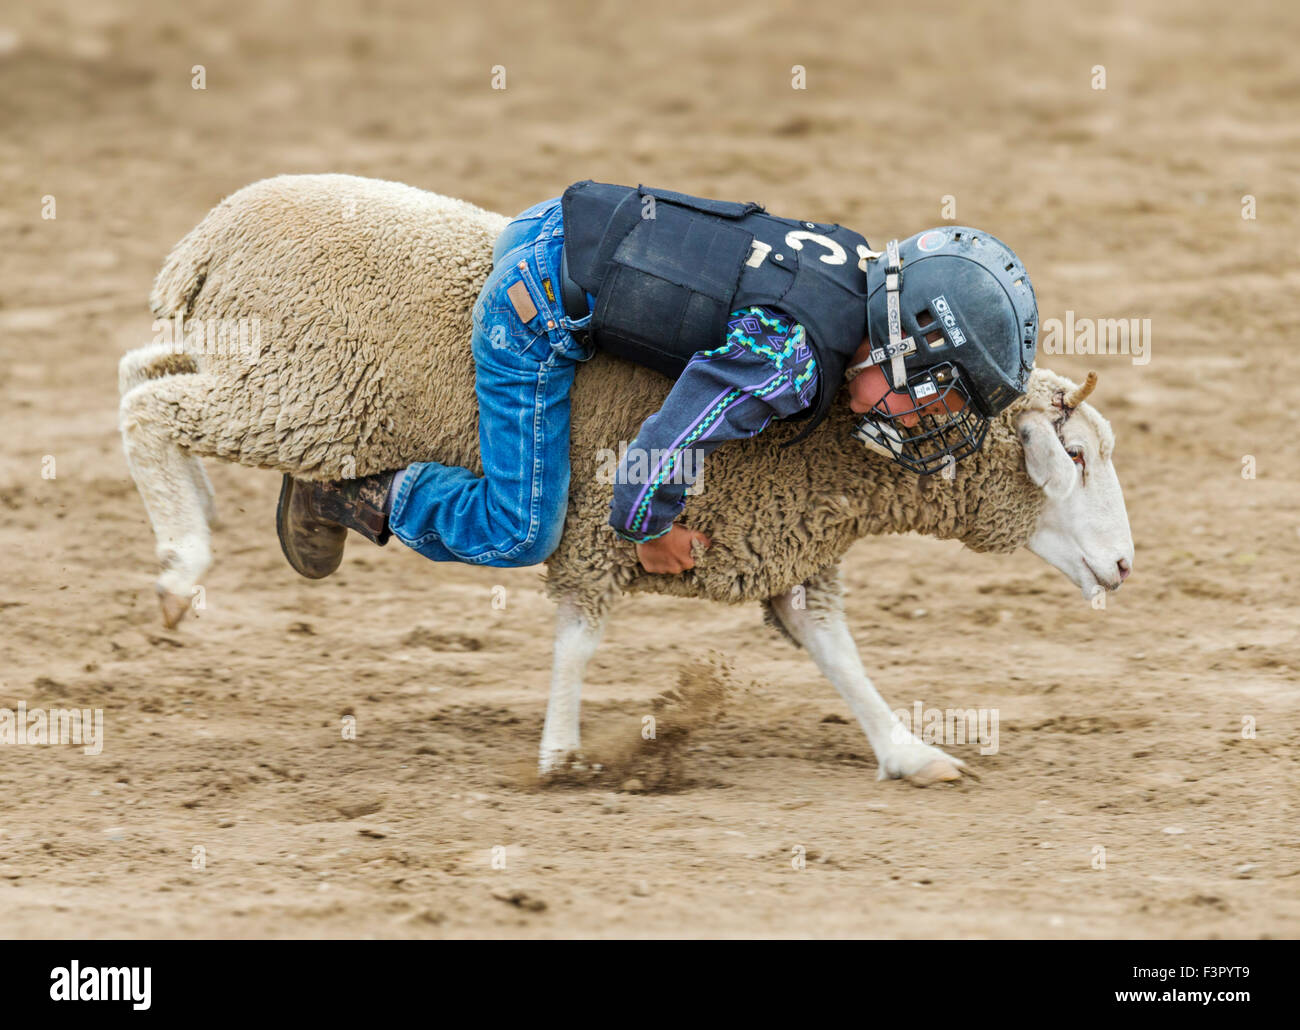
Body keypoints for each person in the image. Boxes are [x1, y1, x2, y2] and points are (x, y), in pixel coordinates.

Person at [276, 182, 1038, 578]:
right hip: (535, 308)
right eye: (930, 396)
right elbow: (661, 444)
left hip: (556, 221)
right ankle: (349, 493)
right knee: (521, 532)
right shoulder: (794, 358)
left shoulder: (852, 263)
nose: (918, 422)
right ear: (901, 346)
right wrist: (646, 530)